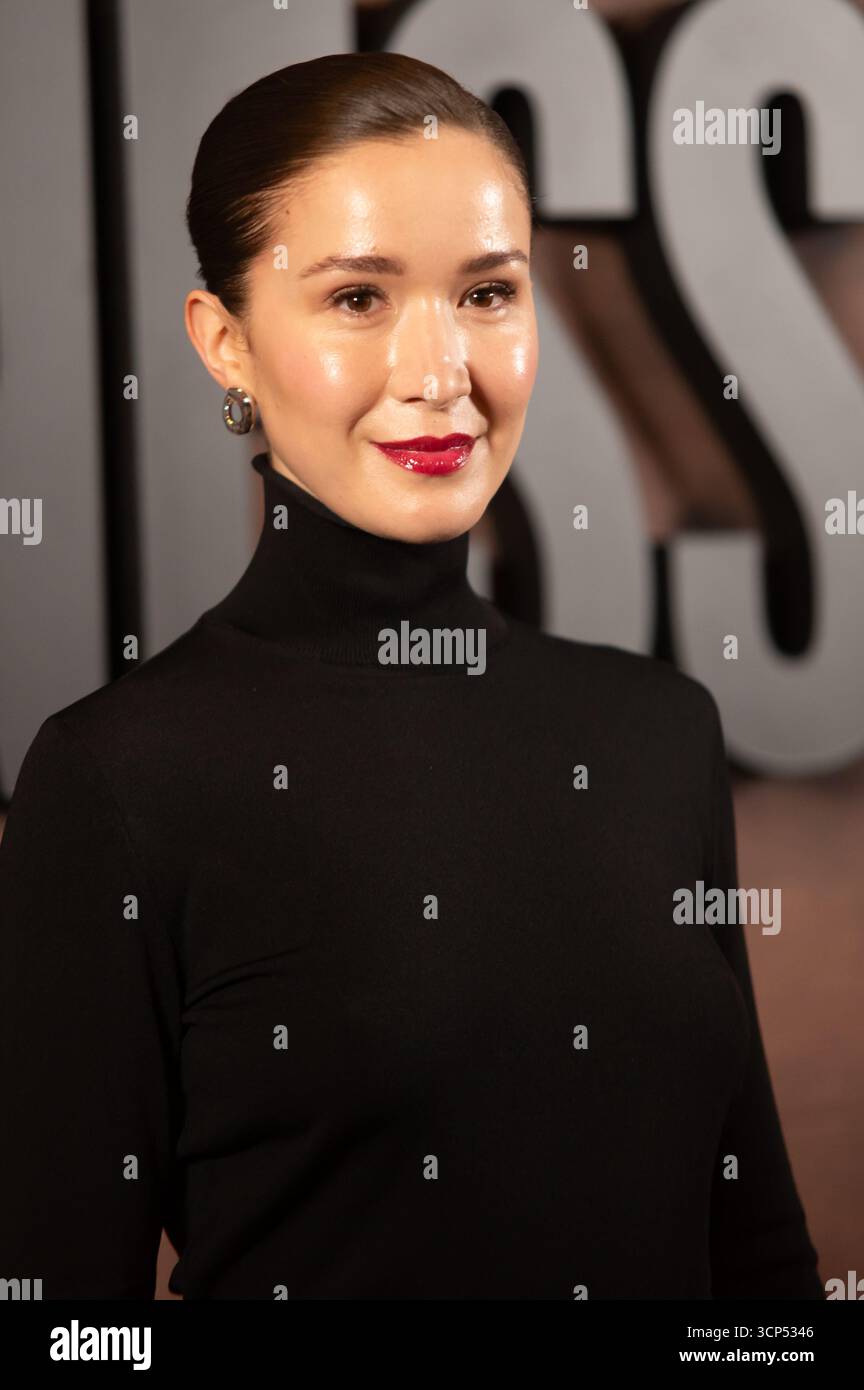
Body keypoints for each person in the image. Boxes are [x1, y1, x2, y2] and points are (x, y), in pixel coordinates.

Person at [0, 51, 823, 1299]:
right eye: (356, 300)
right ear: (225, 343)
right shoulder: (114, 780)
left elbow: (760, 1265)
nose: (443, 372)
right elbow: (65, 1324)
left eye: (488, 292)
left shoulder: (659, 731)